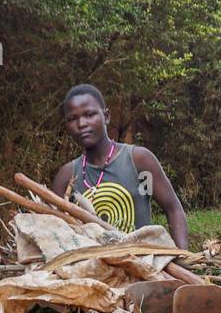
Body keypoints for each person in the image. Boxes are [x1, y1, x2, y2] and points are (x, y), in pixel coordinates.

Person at [50, 84, 189, 249]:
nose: (81, 124)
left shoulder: (138, 160)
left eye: (89, 114)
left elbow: (173, 209)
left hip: (143, 265)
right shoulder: (67, 176)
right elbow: (55, 230)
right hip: (90, 269)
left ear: (106, 116)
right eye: (72, 119)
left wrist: (182, 257)